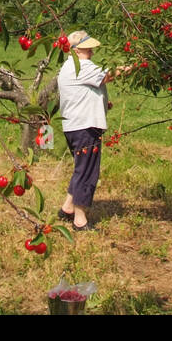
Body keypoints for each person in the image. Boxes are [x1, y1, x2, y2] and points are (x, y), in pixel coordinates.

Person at [56, 30, 131, 232]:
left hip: (73, 126)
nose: (91, 52)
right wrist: (132, 68)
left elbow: (81, 92)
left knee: (81, 168)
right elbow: (107, 76)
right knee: (88, 172)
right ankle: (80, 220)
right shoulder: (81, 66)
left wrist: (101, 101)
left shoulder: (66, 67)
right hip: (84, 127)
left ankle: (67, 208)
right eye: (87, 48)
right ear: (76, 50)